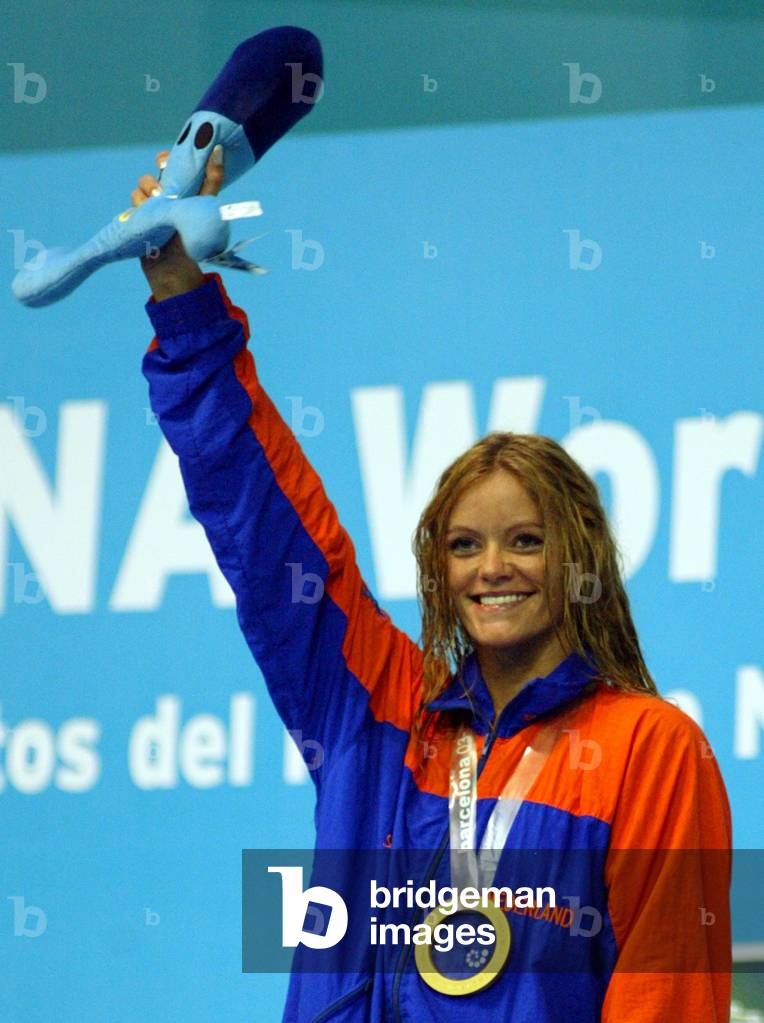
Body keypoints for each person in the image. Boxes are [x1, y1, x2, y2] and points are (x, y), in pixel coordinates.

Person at [133, 148, 732, 1022]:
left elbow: (666, 992)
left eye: (526, 540)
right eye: (463, 545)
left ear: (580, 561)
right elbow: (267, 527)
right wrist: (182, 299)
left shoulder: (650, 748)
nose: (493, 568)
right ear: (438, 573)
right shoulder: (374, 715)